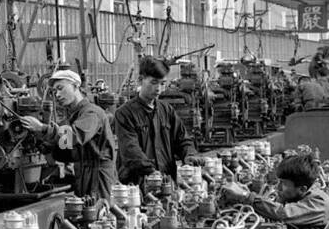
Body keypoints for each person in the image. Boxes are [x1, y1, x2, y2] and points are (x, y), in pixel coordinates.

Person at [18, 68, 117, 200]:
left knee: (101, 215)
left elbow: (74, 136)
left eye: (61, 88)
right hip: (84, 176)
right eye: (54, 91)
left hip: (98, 179)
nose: (57, 95)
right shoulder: (74, 117)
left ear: (76, 86)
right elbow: (67, 153)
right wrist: (45, 145)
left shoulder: (92, 113)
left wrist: (43, 128)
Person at [112, 56, 197, 185]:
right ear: (141, 80)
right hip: (136, 184)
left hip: (167, 181)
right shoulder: (124, 114)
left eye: (162, 83)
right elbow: (130, 150)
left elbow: (182, 139)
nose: (158, 89)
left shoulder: (167, 110)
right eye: (154, 82)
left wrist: (189, 155)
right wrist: (150, 172)